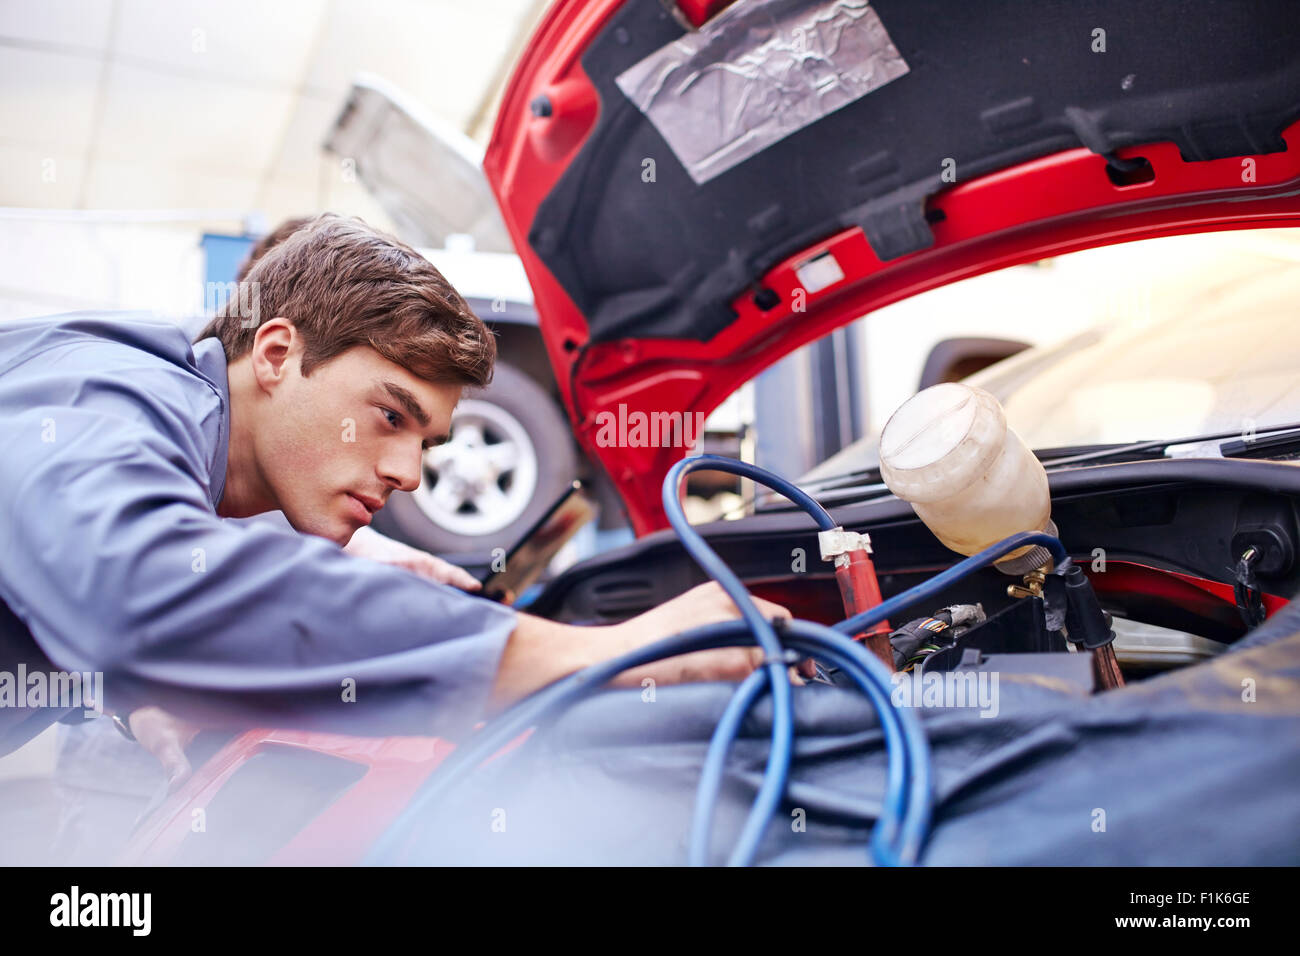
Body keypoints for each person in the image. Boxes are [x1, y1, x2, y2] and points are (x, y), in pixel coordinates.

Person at [0, 214, 792, 772]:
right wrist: (596, 654)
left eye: (427, 443)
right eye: (389, 415)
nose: (410, 474)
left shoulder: (182, 438)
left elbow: (75, 607)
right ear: (277, 353)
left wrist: (139, 689)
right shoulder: (104, 390)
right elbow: (136, 587)